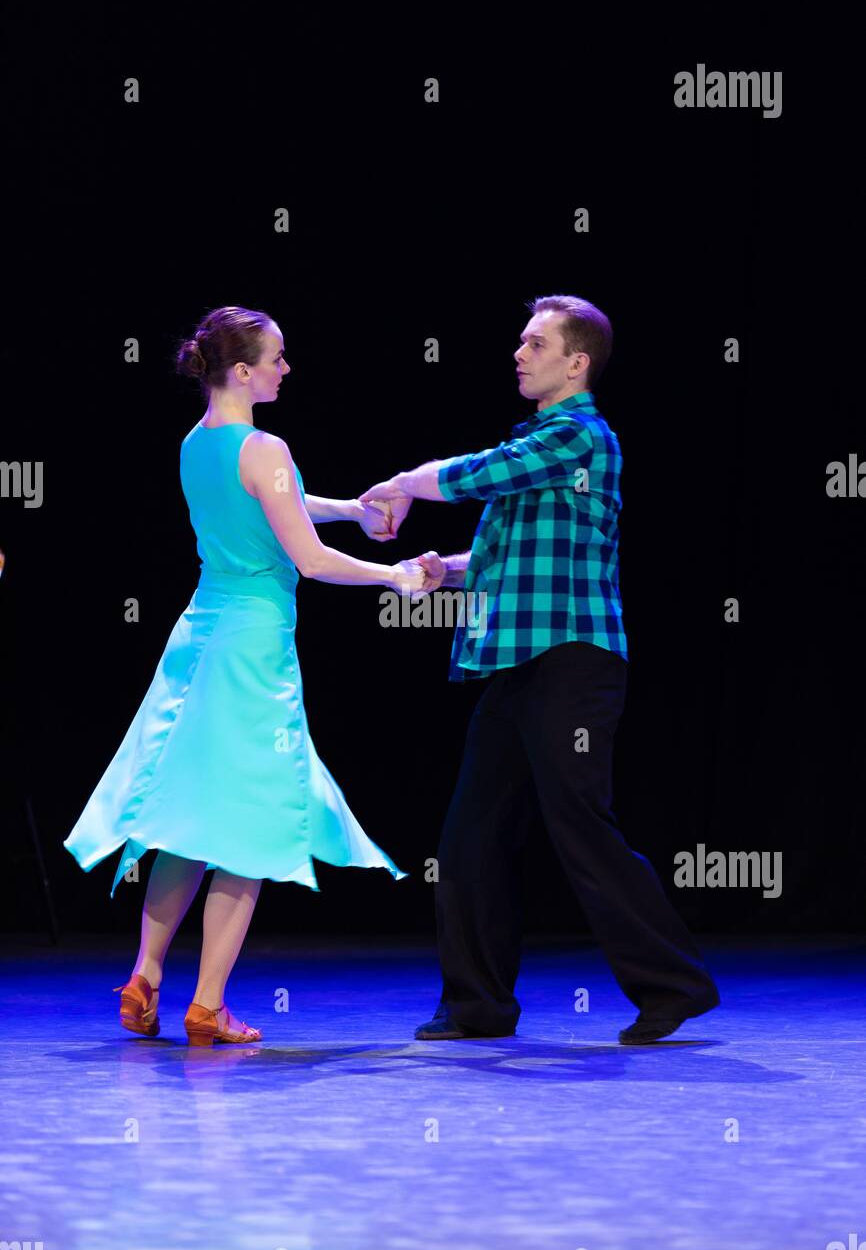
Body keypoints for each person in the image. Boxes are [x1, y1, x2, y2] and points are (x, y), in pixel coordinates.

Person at [63, 305, 430, 1047]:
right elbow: (308, 557)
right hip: (253, 650)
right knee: (251, 821)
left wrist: (355, 510)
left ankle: (146, 974)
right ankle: (208, 1005)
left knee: (188, 815)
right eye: (277, 358)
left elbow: (279, 502)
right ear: (242, 371)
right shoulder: (266, 446)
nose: (285, 369)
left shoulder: (196, 443)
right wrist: (395, 576)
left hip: (199, 637)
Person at [360, 294, 721, 1046]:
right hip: (519, 661)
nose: (518, 353)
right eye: (520, 342)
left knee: (580, 826)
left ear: (575, 362)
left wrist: (399, 484)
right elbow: (504, 558)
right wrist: (446, 569)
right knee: (470, 836)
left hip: (572, 662)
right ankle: (476, 1005)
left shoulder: (581, 437)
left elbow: (472, 477)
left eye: (534, 343)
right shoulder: (540, 449)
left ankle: (675, 985)